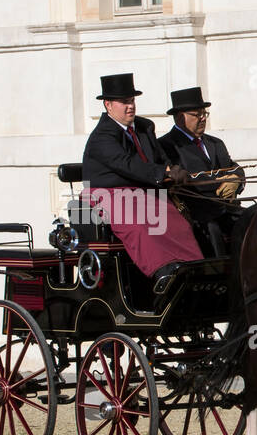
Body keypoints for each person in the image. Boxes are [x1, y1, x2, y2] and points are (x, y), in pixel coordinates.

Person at [81, 73, 204, 294]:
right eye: (124, 102)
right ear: (108, 105)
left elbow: (157, 157)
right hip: (107, 193)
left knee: (174, 219)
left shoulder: (144, 128)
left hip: (141, 190)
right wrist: (162, 172)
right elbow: (127, 164)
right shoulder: (102, 137)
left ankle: (191, 267)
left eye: (132, 101)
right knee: (139, 226)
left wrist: (172, 171)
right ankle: (163, 271)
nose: (130, 106)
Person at [158, 86, 245, 255]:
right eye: (197, 115)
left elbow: (234, 168)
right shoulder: (166, 146)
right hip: (196, 215)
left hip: (227, 210)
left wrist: (235, 179)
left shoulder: (215, 144)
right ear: (179, 118)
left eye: (204, 114)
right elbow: (176, 182)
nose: (203, 118)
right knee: (211, 230)